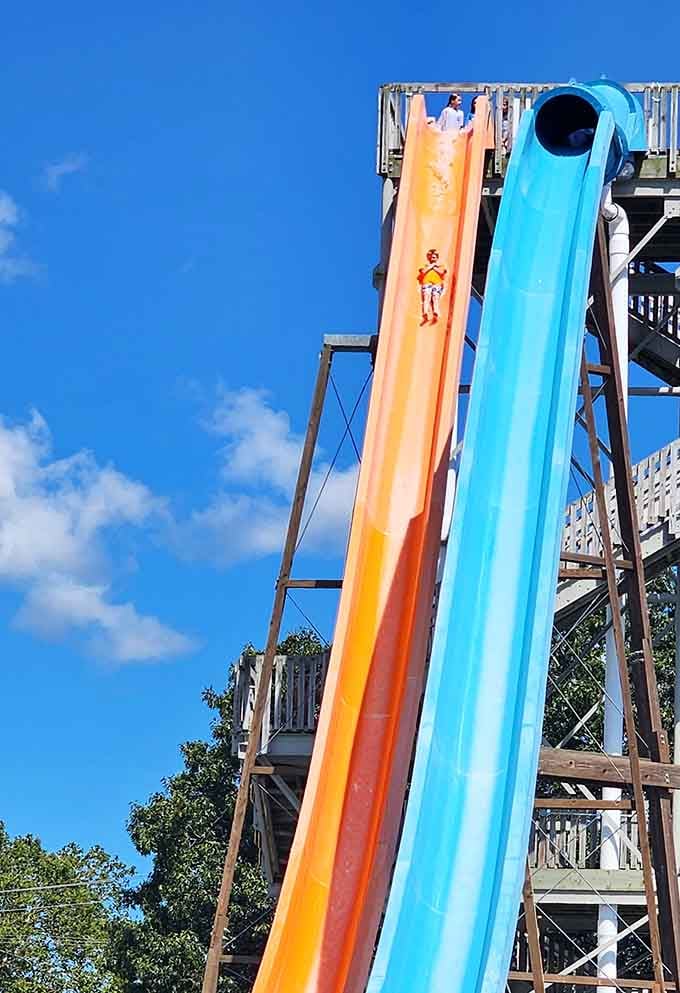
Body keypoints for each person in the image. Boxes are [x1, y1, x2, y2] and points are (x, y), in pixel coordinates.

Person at [417, 249, 447, 325]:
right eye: (431, 257)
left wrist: (433, 267)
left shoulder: (441, 266)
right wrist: (432, 265)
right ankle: (425, 313)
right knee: (426, 298)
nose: (433, 258)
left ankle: (435, 312)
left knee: (435, 298)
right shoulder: (425, 265)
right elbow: (423, 271)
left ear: (437, 258)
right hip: (427, 284)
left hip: (437, 284)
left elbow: (441, 272)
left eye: (434, 257)